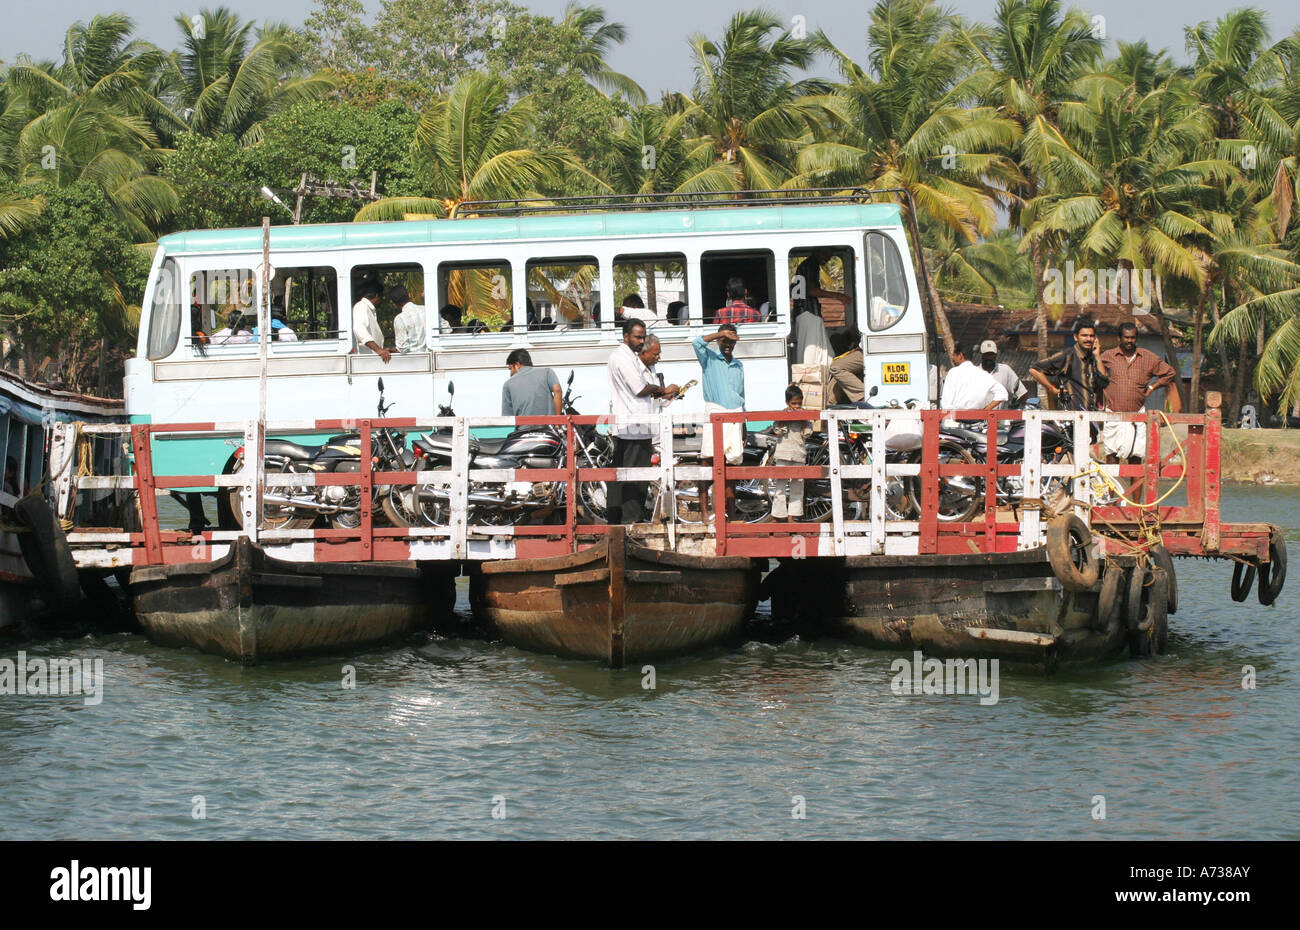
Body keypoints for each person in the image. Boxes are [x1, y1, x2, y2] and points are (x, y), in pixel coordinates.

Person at [607, 318, 679, 523]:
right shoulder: (623, 358)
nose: (640, 341)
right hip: (633, 426)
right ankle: (630, 523)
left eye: (642, 337)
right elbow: (639, 388)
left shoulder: (629, 357)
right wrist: (663, 389)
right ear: (626, 336)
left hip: (634, 425)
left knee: (624, 477)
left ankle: (620, 521)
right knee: (634, 479)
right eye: (638, 337)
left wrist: (660, 393)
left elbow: (642, 390)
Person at [1099, 321, 1180, 465]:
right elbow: (1096, 374)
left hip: (1137, 413)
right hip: (1113, 414)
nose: (1129, 341)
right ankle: (1112, 488)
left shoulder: (1147, 357)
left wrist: (1152, 387)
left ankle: (1135, 489)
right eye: (1126, 337)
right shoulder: (1108, 356)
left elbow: (1170, 373)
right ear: (1119, 338)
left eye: (1133, 337)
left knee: (1135, 459)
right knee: (1111, 458)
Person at [694, 323, 746, 518]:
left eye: (732, 341)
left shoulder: (738, 365)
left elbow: (742, 395)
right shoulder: (709, 358)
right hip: (715, 413)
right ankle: (704, 514)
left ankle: (731, 516)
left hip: (736, 415)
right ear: (718, 339)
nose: (728, 344)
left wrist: (745, 427)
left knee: (732, 465)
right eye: (724, 340)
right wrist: (719, 333)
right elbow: (696, 343)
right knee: (708, 463)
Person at [1028, 317, 1109, 411]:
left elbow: (1104, 382)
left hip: (1092, 416)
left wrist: (1098, 356)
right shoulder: (1068, 356)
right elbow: (1034, 369)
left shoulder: (1094, 358)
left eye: (1091, 336)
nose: (1088, 339)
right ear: (1076, 337)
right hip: (1072, 415)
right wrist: (1052, 389)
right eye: (1084, 335)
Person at [771, 385, 814, 522]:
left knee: (797, 486)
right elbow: (777, 431)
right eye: (793, 403)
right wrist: (784, 418)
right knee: (780, 487)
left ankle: (792, 516)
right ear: (787, 403)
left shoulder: (805, 416)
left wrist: (803, 420)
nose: (796, 406)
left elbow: (807, 433)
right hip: (783, 453)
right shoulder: (781, 414)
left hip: (798, 454)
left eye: (799, 403)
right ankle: (779, 516)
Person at [941, 342, 1008, 422]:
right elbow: (1002, 394)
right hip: (977, 421)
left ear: (960, 356)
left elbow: (946, 403)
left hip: (956, 421)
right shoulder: (983, 374)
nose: (952, 357)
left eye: (954, 355)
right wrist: (984, 411)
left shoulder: (953, 372)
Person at [502, 349, 563, 417]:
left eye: (511, 369)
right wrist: (558, 419)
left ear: (517, 365)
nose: (511, 374)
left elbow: (507, 417)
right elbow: (557, 390)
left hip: (523, 426)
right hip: (548, 425)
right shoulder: (547, 372)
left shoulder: (508, 384)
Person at [979, 339, 1027, 407]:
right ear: (980, 355)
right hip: (978, 415)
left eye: (991, 355)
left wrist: (1029, 409)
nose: (989, 358)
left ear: (996, 355)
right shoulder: (974, 373)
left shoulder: (1005, 370)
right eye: (986, 355)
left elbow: (1021, 392)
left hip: (1001, 416)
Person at [352, 283, 391, 362]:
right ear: (377, 296)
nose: (382, 300)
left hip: (371, 360)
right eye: (382, 297)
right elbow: (359, 330)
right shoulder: (361, 306)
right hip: (365, 361)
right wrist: (379, 350)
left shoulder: (368, 309)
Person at [828, 327, 866, 404]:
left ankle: (863, 395)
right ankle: (828, 404)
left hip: (868, 350)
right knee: (840, 377)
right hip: (865, 348)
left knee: (836, 367)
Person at [390, 285, 427, 353]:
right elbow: (447, 329)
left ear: (394, 304)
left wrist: (390, 350)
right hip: (434, 357)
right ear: (409, 295)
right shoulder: (426, 310)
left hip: (413, 360)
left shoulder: (400, 319)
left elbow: (402, 348)